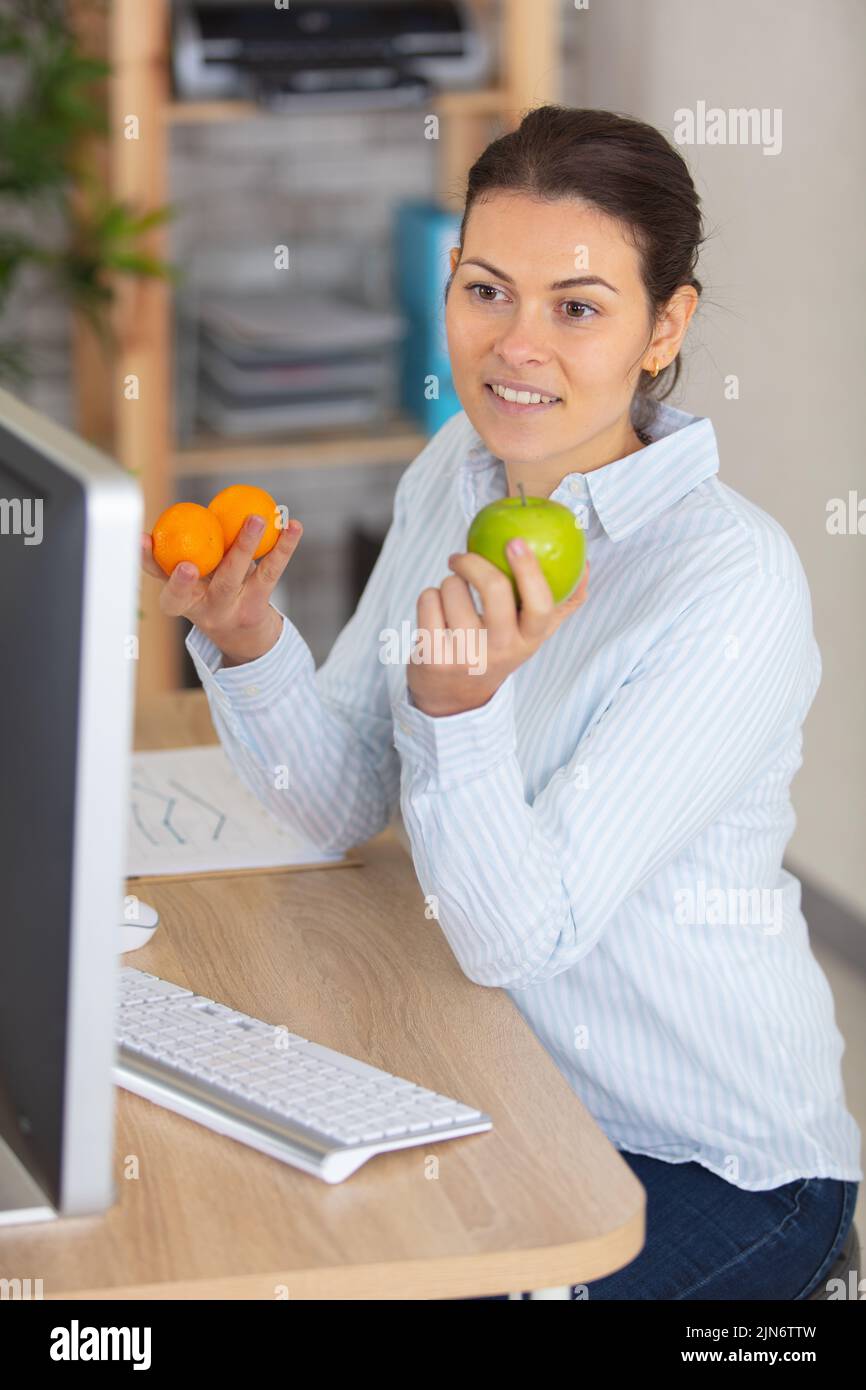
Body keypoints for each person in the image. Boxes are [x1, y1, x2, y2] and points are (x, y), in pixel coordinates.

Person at [141, 105, 861, 1299]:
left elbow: (515, 934)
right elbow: (334, 803)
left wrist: (459, 709)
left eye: (575, 307)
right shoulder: (453, 472)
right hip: (501, 1081)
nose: (514, 345)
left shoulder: (727, 581)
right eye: (486, 290)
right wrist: (250, 638)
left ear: (661, 325)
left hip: (704, 1165)